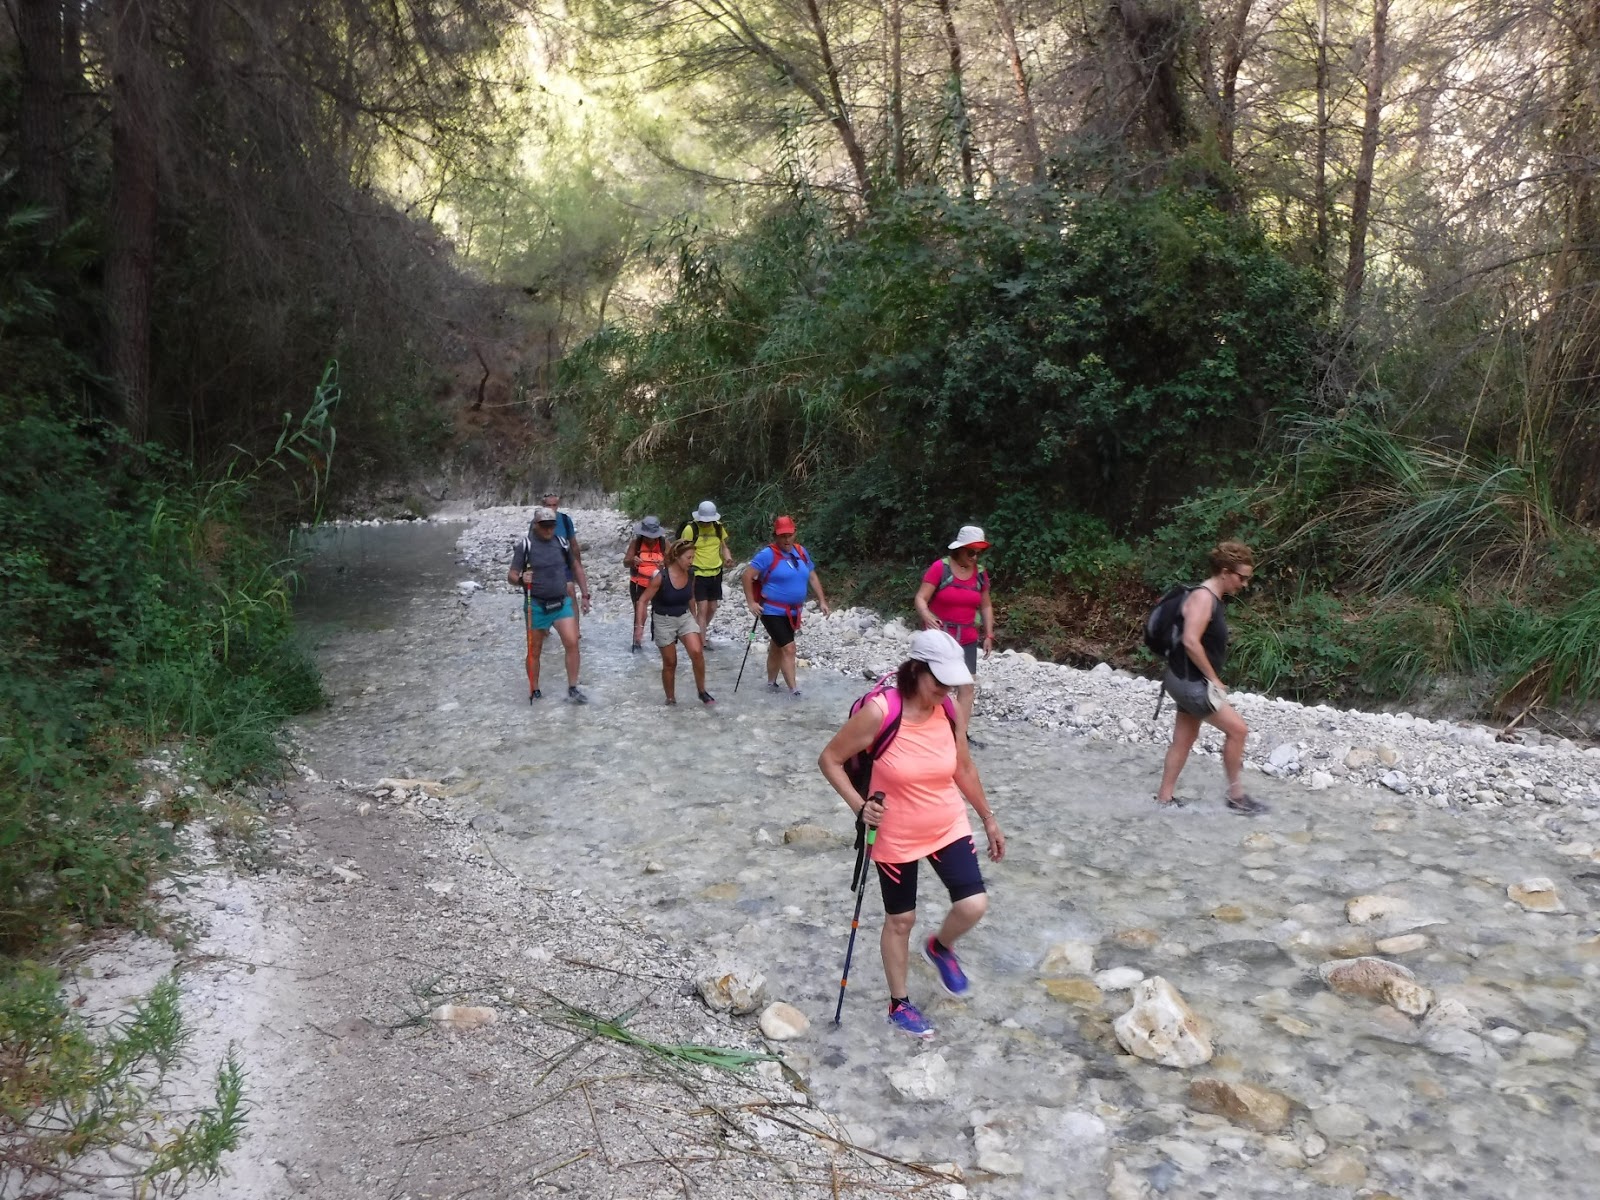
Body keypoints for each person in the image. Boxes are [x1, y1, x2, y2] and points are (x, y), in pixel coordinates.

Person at [817, 630, 1006, 1039]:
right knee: (901, 919)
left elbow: (963, 769)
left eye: (951, 683)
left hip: (946, 822)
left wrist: (988, 817)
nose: (944, 690)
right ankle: (898, 1003)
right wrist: (859, 806)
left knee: (973, 905)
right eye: (938, 681)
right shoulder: (881, 712)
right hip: (895, 833)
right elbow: (830, 759)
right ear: (915, 670)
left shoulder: (950, 710)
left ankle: (940, 946)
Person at [1154, 540, 1266, 814]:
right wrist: (1213, 678)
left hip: (1180, 678)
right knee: (1238, 731)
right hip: (1190, 682)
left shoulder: (1206, 597)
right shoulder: (1204, 598)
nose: (1244, 584)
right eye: (1242, 577)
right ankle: (1236, 796)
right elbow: (1192, 641)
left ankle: (1164, 800)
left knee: (1184, 738)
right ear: (1225, 571)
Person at [914, 525, 995, 737]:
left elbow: (986, 605)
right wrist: (927, 616)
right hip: (940, 638)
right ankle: (923, 727)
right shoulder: (940, 568)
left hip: (967, 638)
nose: (975, 557)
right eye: (971, 552)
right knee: (934, 685)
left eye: (979, 553)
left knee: (966, 687)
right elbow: (921, 598)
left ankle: (960, 734)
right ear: (959, 549)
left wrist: (989, 634)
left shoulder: (980, 574)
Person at [507, 506, 590, 704]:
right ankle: (535, 689)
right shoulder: (526, 545)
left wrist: (585, 593)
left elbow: (575, 566)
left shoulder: (561, 543)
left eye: (551, 525)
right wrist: (520, 579)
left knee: (572, 642)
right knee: (535, 650)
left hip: (561, 603)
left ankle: (572, 688)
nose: (548, 530)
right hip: (536, 605)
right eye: (544, 526)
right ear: (535, 525)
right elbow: (511, 575)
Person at [742, 515, 830, 698]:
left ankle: (771, 683)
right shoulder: (768, 554)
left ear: (795, 533)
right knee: (789, 648)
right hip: (771, 610)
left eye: (789, 535)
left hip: (794, 611)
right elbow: (747, 575)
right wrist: (751, 602)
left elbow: (812, 576)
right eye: (782, 536)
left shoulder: (801, 552)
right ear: (776, 535)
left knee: (777, 644)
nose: (786, 539)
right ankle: (794, 691)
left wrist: (822, 600)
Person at [633, 539, 715, 705]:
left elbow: (690, 596)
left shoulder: (690, 574)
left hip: (684, 617)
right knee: (671, 662)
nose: (691, 561)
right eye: (688, 558)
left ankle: (702, 691)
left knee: (697, 652)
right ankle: (670, 699)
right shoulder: (660, 577)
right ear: (677, 557)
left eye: (693, 557)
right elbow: (642, 600)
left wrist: (695, 619)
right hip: (663, 620)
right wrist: (639, 627)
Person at [680, 500, 735, 642]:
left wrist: (727, 558)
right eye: (704, 521)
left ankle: (699, 631)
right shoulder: (690, 529)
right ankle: (701, 643)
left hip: (716, 573)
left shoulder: (718, 527)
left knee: (712, 607)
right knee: (702, 608)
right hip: (698, 573)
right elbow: (682, 550)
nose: (706, 523)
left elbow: (723, 546)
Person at [542, 490, 592, 637]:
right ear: (543, 505)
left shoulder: (564, 520)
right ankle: (544, 628)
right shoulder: (537, 521)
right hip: (544, 564)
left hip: (563, 562)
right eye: (549, 505)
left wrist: (578, 566)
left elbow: (574, 545)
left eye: (554, 505)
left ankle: (575, 631)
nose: (552, 508)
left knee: (570, 591)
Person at [624, 515, 669, 652]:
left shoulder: (663, 543)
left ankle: (660, 639)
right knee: (640, 611)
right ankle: (637, 641)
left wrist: (664, 562)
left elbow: (673, 559)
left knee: (660, 611)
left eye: (653, 537)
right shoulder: (636, 543)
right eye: (648, 536)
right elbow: (626, 562)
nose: (651, 539)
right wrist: (633, 561)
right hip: (638, 582)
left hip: (658, 583)